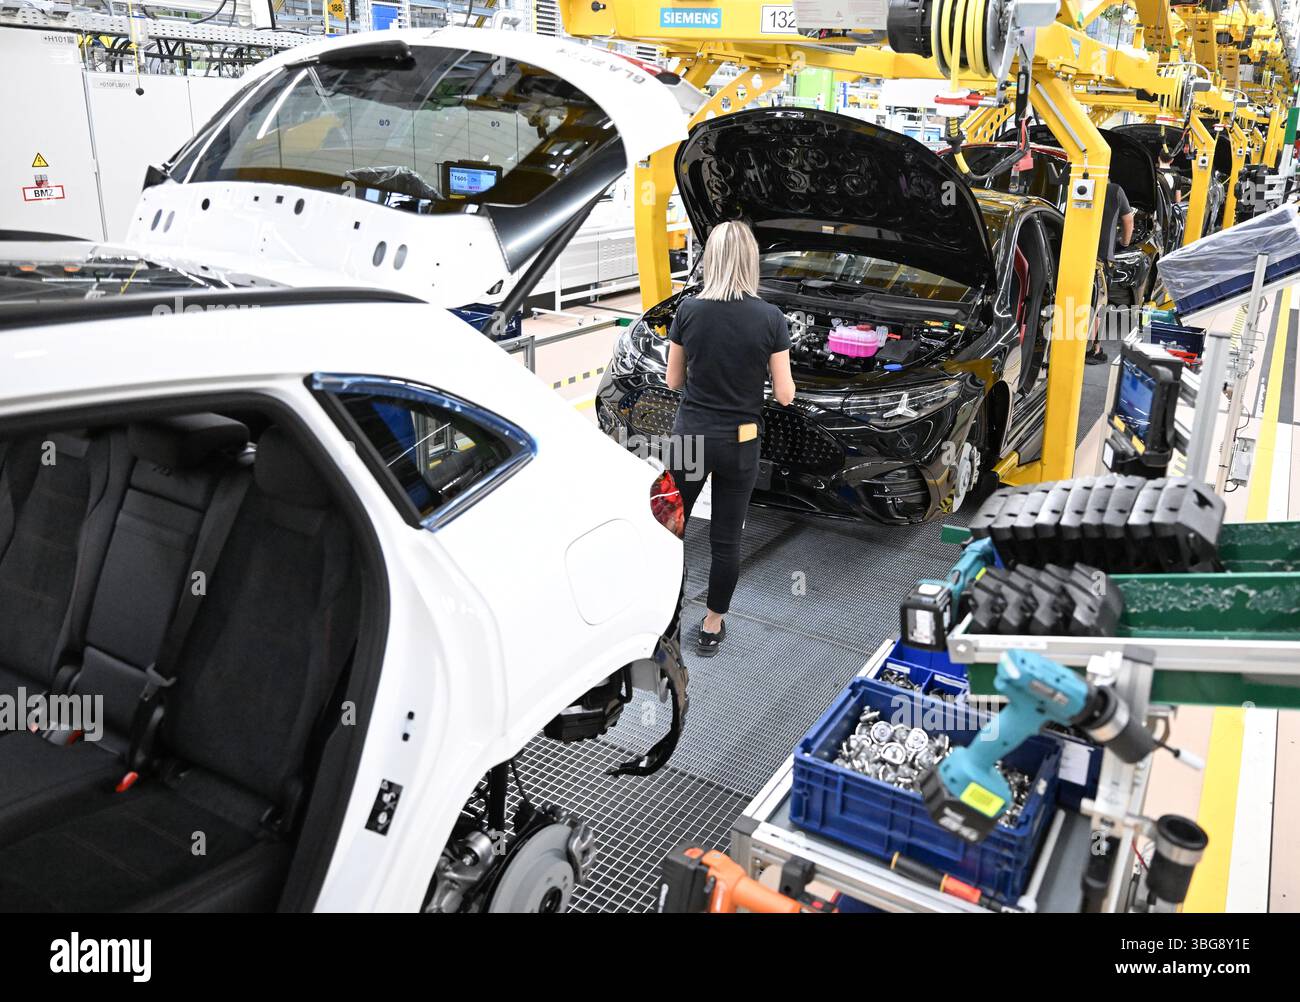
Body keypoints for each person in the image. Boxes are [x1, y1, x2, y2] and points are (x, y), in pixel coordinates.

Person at [664, 220, 796, 655]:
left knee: (669, 530)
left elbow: (672, 381)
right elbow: (784, 394)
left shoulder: (688, 310)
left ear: (712, 258)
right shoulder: (771, 318)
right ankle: (711, 626)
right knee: (726, 538)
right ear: (751, 260)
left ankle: (663, 618)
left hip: (690, 436)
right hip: (740, 441)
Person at [1086, 180, 1135, 365]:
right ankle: (1094, 349)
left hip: (1071, 250)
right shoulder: (1115, 190)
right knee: (1098, 302)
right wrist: (1124, 243)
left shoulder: (1075, 180)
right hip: (1100, 257)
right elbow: (1128, 220)